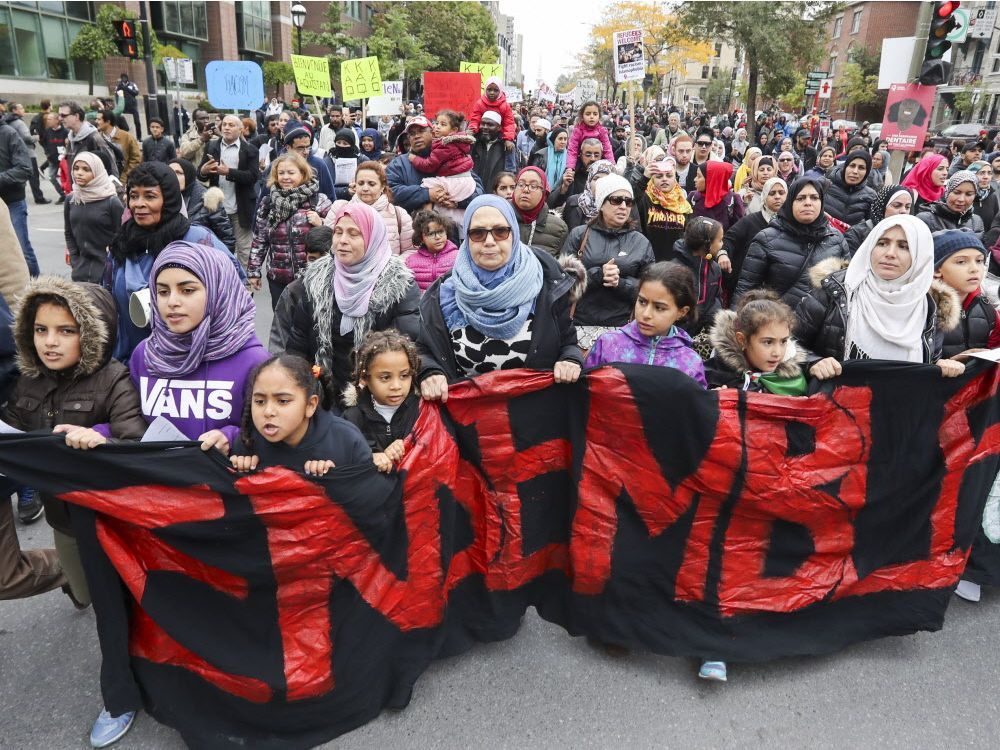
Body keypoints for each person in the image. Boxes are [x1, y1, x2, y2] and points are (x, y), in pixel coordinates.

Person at [4, 275, 147, 610]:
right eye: (41, 330)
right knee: (86, 593)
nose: (50, 342)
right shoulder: (28, 381)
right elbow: (13, 437)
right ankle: (74, 581)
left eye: (66, 330)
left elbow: (136, 443)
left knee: (122, 602)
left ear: (93, 334)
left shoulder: (115, 380)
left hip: (112, 519)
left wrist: (104, 438)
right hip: (62, 518)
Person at [417, 195, 584, 395]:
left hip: (535, 415)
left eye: (500, 231)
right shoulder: (444, 294)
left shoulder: (546, 283)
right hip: (470, 418)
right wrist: (429, 372)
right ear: (466, 237)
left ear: (513, 232)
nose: (489, 241)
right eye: (478, 233)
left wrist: (570, 360)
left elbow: (568, 343)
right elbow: (425, 349)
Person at [273, 201, 420, 406]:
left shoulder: (398, 286)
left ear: (372, 239)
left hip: (376, 401)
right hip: (322, 398)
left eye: (353, 233)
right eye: (338, 232)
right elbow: (298, 345)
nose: (342, 240)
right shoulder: (316, 280)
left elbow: (406, 347)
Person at [794, 215, 963, 380]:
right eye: (882, 243)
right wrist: (814, 362)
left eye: (904, 246)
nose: (890, 253)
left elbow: (929, 363)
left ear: (921, 256)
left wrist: (942, 366)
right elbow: (788, 344)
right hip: (837, 404)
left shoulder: (931, 308)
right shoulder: (834, 292)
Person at [107, 161, 241, 361]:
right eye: (134, 196)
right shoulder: (122, 244)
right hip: (134, 360)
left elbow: (232, 291)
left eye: (150, 196)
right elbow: (110, 303)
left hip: (193, 359)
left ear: (169, 199)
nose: (138, 204)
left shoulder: (196, 240)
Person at [229, 354, 371, 476]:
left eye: (283, 401)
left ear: (310, 405)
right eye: (259, 401)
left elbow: (369, 493)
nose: (268, 412)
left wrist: (333, 480)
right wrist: (239, 472)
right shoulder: (247, 442)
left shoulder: (346, 441)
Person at [562, 175, 654, 350]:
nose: (623, 207)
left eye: (628, 202)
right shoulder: (579, 235)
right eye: (616, 200)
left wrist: (621, 283)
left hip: (624, 328)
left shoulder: (641, 242)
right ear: (601, 204)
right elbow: (562, 283)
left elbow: (650, 290)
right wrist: (597, 275)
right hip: (579, 326)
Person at [584, 260, 707, 388]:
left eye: (659, 308)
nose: (646, 314)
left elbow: (695, 405)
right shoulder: (608, 344)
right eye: (642, 302)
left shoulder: (690, 362)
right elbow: (585, 395)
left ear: (681, 312)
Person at [734, 176, 848, 307]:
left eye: (814, 198)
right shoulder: (766, 239)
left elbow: (846, 287)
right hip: (778, 322)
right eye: (800, 198)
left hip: (823, 324)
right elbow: (745, 290)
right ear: (790, 203)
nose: (808, 203)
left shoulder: (836, 239)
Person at [248, 151, 332, 310]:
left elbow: (335, 234)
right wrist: (253, 273)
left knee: (310, 325)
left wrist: (321, 222)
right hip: (278, 278)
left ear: (303, 173)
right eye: (281, 173)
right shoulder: (268, 202)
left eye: (291, 172)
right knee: (282, 325)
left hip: (313, 276)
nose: (285, 177)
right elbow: (259, 240)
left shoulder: (318, 200)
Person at [342, 330, 421, 473]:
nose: (396, 386)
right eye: (385, 377)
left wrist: (409, 445)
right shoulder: (352, 418)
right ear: (364, 379)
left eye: (404, 375)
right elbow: (343, 457)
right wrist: (370, 457)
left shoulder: (422, 410)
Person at [705, 290, 809, 395]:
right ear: (742, 340)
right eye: (768, 342)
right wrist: (711, 398)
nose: (777, 353)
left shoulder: (792, 378)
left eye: (783, 341)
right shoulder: (716, 372)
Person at [388, 116, 484, 216]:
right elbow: (390, 192)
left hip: (453, 227)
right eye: (412, 134)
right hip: (415, 227)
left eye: (421, 131)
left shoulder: (452, 155)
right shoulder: (399, 163)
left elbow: (478, 191)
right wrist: (426, 194)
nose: (416, 136)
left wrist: (457, 202)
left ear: (433, 133)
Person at [932, 231, 1000, 360]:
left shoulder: (986, 307)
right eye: (961, 262)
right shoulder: (924, 308)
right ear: (936, 269)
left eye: (979, 260)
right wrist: (941, 365)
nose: (974, 269)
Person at [721, 176, 786, 301]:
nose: (777, 197)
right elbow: (729, 239)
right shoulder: (751, 221)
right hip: (749, 287)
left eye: (781, 193)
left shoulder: (792, 224)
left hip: (778, 288)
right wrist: (722, 254)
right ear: (764, 197)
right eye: (772, 193)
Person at [329, 160, 413, 256]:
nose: (365, 188)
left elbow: (410, 251)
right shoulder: (338, 209)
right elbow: (327, 247)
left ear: (382, 187)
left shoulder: (399, 215)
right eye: (360, 183)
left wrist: (391, 268)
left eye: (371, 184)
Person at [64, 153, 124, 283]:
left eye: (86, 169)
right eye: (76, 168)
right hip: (80, 271)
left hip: (107, 270)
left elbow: (121, 235)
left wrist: (111, 261)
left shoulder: (111, 201)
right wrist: (75, 261)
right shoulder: (71, 199)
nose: (79, 173)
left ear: (97, 172)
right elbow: (69, 233)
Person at [408, 109, 477, 219]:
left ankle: (427, 217)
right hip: (459, 182)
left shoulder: (445, 145)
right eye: (436, 123)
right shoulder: (399, 163)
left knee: (425, 185)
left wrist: (414, 159)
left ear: (453, 130)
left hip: (457, 182)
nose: (438, 127)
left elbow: (429, 165)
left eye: (421, 132)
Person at [167, 158, 236, 254]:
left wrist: (216, 264)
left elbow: (227, 239)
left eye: (179, 173)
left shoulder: (209, 199)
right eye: (170, 172)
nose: (173, 177)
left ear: (188, 174)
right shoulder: (162, 199)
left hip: (204, 260)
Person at [630, 156, 692, 262]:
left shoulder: (683, 203)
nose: (664, 179)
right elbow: (632, 198)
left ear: (675, 179)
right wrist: (644, 178)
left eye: (669, 175)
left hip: (676, 264)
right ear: (652, 179)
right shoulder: (645, 199)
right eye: (659, 176)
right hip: (649, 261)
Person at [0, 111, 38, 276]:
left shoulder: (9, 133)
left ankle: (39, 293)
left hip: (12, 202)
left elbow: (24, 169)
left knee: (22, 251)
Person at [510, 166, 568, 255]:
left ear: (543, 193)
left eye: (533, 186)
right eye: (521, 184)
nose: (525, 190)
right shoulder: (499, 218)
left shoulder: (559, 229)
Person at [844, 185, 914, 257]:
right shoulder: (856, 233)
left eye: (907, 207)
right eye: (896, 205)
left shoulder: (911, 236)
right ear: (882, 208)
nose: (903, 211)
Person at [470, 111, 517, 208]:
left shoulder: (507, 147)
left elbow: (511, 173)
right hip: (472, 198)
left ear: (499, 127)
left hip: (496, 202)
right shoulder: (472, 142)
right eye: (483, 124)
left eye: (490, 125)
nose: (485, 127)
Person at [915, 170, 985, 235]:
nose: (961, 199)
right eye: (956, 192)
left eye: (969, 194)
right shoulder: (926, 219)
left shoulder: (976, 222)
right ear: (947, 192)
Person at [5, 102, 49, 204]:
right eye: (21, 108)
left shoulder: (8, 122)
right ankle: (39, 197)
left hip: (15, 153)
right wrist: (37, 137)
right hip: (28, 152)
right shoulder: (19, 123)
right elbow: (27, 138)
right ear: (14, 110)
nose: (23, 110)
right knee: (34, 177)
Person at [406, 210, 459, 292]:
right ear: (421, 238)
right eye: (431, 234)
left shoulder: (458, 257)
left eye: (440, 232)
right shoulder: (410, 261)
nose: (437, 237)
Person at [823, 150, 876, 229]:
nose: (855, 171)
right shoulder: (825, 184)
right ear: (845, 167)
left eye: (861, 168)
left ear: (867, 172)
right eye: (852, 166)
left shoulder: (870, 196)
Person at [691, 161, 745, 232]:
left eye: (699, 176)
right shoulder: (693, 198)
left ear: (711, 179)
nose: (695, 179)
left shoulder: (732, 200)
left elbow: (738, 231)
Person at [467, 76, 517, 150]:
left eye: (495, 90)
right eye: (489, 90)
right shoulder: (479, 103)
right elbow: (475, 119)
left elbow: (509, 123)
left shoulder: (505, 106)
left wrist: (508, 139)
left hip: (500, 135)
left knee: (510, 150)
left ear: (500, 91)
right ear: (485, 90)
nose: (492, 93)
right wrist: (472, 131)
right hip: (482, 134)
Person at [566, 101, 615, 170]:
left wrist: (611, 165)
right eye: (588, 114)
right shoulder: (578, 130)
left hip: (599, 163)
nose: (592, 117)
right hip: (580, 164)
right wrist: (570, 167)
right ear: (582, 116)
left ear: (599, 116)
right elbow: (572, 150)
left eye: (595, 114)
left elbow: (607, 149)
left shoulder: (602, 131)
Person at [97, 110, 140, 181]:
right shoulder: (97, 138)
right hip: (104, 182)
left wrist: (125, 178)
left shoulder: (127, 137)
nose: (96, 122)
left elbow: (135, 159)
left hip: (124, 181)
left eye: (99, 119)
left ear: (108, 122)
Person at [39, 111, 68, 203]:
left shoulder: (65, 132)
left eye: (50, 119)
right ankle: (62, 195)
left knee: (68, 178)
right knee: (52, 177)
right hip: (52, 159)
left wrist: (65, 155)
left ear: (57, 120)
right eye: (47, 119)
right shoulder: (47, 131)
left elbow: (68, 145)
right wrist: (47, 153)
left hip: (64, 159)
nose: (48, 121)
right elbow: (43, 142)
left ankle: (70, 194)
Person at [115, 73, 142, 140]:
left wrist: (126, 88)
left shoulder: (132, 84)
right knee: (123, 122)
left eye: (125, 77)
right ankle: (125, 138)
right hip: (124, 106)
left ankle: (139, 137)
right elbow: (116, 95)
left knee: (137, 122)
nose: (124, 79)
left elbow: (136, 93)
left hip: (133, 106)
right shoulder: (118, 85)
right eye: (122, 78)